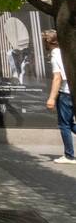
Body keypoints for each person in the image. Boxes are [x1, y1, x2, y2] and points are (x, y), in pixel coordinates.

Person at [44, 30, 76, 164]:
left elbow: (57, 78)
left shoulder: (55, 55)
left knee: (64, 124)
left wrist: (51, 97)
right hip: (72, 91)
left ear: (48, 42)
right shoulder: (67, 51)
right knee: (70, 123)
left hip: (65, 93)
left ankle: (69, 155)